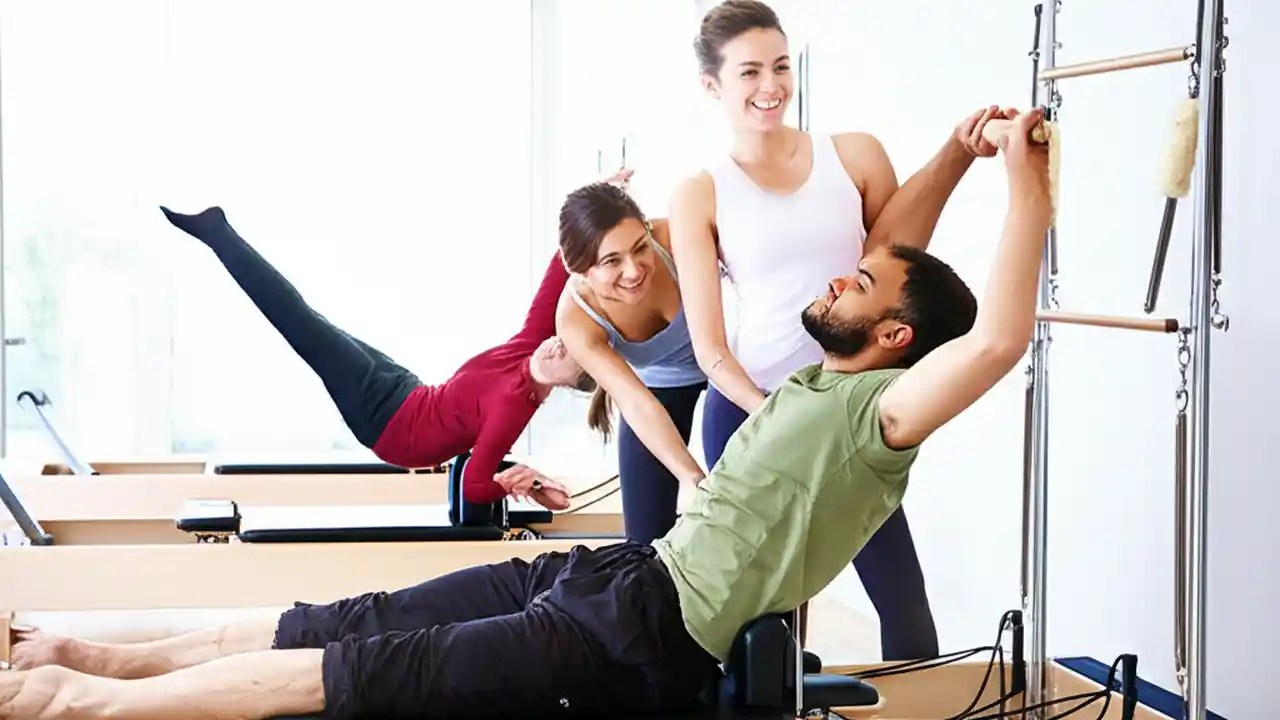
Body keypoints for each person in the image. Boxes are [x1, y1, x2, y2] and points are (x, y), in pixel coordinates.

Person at [0, 107, 1051, 720]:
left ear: (895, 339)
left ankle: (66, 707)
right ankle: (86, 657)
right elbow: (898, 257)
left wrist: (1027, 184)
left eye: (855, 286)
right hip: (619, 575)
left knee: (369, 675)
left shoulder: (879, 416)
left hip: (655, 629)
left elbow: (992, 335)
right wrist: (960, 149)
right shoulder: (814, 369)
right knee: (349, 620)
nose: (834, 277)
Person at [668, 0, 1014, 659]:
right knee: (769, 611)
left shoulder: (852, 155)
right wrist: (776, 415)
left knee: (899, 590)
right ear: (712, 86)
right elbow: (711, 349)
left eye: (779, 66)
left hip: (845, 411)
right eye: (748, 73)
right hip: (749, 410)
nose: (770, 87)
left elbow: (892, 262)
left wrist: (958, 150)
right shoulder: (700, 193)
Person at [157, 205, 591, 511]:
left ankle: (217, 233)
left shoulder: (514, 409)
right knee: (310, 317)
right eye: (564, 339)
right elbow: (561, 263)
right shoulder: (532, 342)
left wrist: (521, 480)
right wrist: (597, 211)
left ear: (569, 382)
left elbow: (475, 486)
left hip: (389, 426)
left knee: (298, 321)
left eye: (567, 358)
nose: (557, 348)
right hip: (408, 391)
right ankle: (219, 232)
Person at [554, 182, 707, 543]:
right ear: (579, 270)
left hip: (729, 371)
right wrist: (691, 477)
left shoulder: (677, 237)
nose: (634, 270)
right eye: (612, 262)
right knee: (642, 544)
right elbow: (636, 401)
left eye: (641, 248)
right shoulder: (577, 317)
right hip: (660, 386)